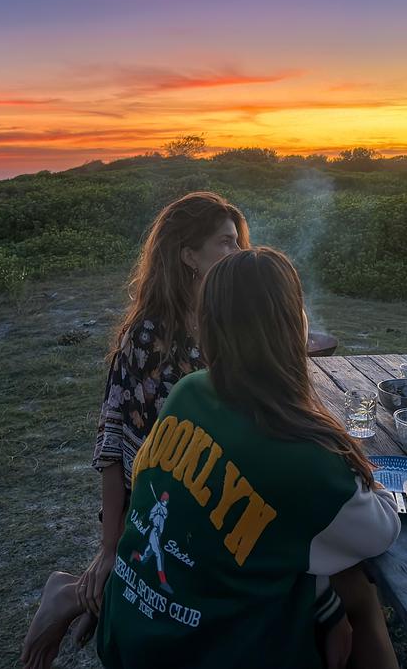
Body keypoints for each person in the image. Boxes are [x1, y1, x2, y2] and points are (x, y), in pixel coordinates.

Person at [96, 247, 402, 668]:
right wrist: (368, 478)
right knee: (361, 594)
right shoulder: (304, 454)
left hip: (127, 635)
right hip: (206, 652)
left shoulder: (188, 392)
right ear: (296, 326)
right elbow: (381, 530)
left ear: (208, 329)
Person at [21, 191, 250, 668]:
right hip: (161, 495)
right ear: (189, 255)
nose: (239, 253)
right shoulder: (150, 334)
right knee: (180, 601)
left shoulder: (221, 320)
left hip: (211, 485)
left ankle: (81, 599)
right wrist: (110, 544)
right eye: (226, 243)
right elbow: (116, 436)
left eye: (239, 242)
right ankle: (75, 595)